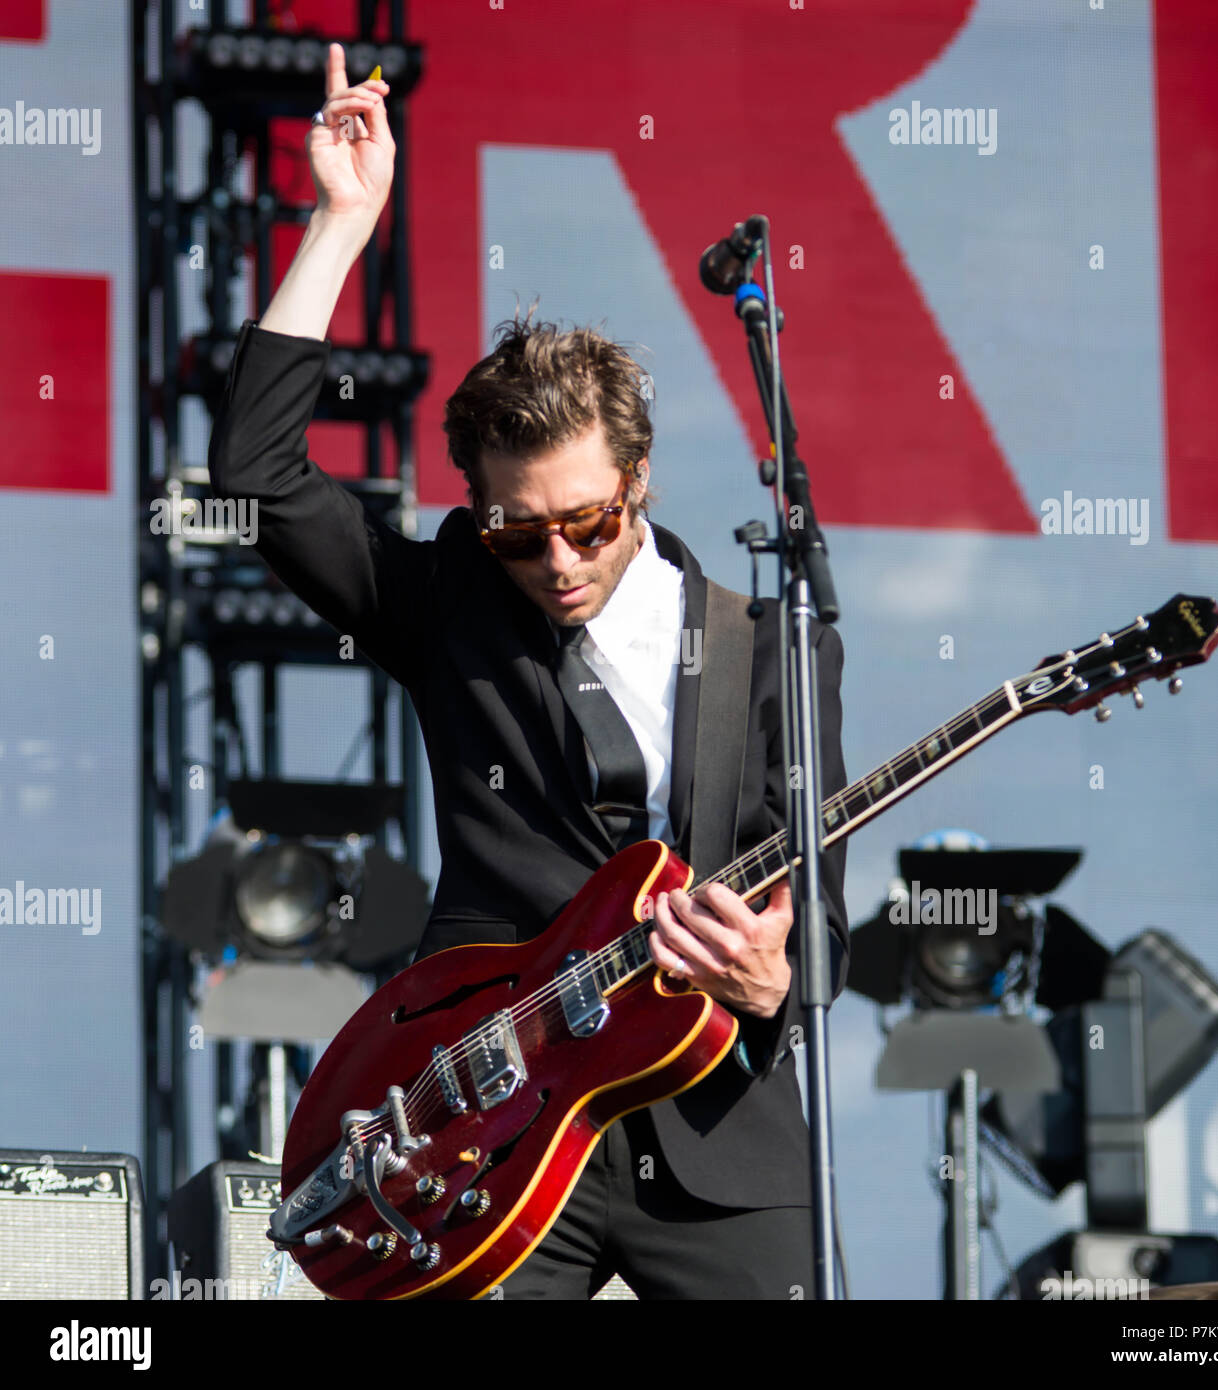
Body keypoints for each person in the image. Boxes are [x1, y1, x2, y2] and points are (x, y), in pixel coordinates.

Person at [208, 43, 850, 1299]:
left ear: (640, 482)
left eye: (587, 524)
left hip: (715, 1126)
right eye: (516, 530)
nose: (554, 560)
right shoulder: (450, 601)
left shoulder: (772, 641)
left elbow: (816, 908)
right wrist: (341, 226)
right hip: (489, 1119)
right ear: (474, 510)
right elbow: (257, 476)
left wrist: (780, 976)